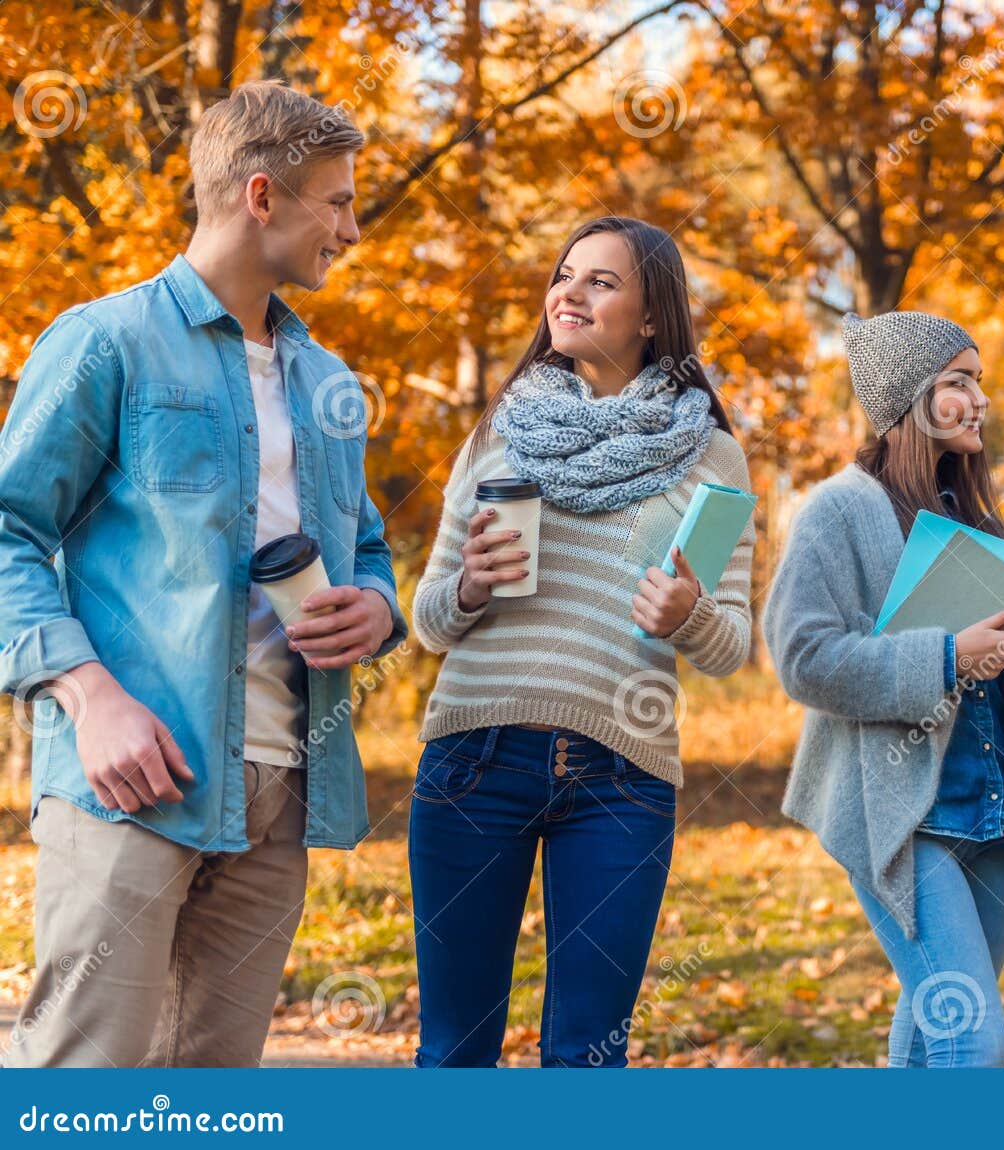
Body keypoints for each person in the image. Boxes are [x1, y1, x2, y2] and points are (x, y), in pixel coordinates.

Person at [0, 81, 407, 1067]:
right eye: (338, 201)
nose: (351, 229)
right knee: (84, 1088)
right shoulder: (108, 343)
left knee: (211, 1099)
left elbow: (367, 546)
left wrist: (377, 611)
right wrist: (87, 696)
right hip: (135, 786)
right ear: (261, 196)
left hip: (279, 798)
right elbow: (9, 530)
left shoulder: (327, 382)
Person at [764, 310, 1004, 1066]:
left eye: (979, 381)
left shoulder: (960, 512)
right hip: (902, 818)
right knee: (972, 1043)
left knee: (934, 1032)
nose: (979, 399)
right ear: (908, 400)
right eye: (958, 383)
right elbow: (802, 656)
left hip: (990, 810)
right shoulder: (837, 510)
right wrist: (944, 656)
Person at [408, 216, 755, 1067]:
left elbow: (732, 644)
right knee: (455, 1053)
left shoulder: (710, 458)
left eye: (601, 280)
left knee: (587, 1061)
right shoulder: (501, 430)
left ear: (650, 318)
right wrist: (469, 587)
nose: (570, 291)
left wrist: (690, 618)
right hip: (472, 760)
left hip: (622, 776)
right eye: (565, 274)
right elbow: (425, 620)